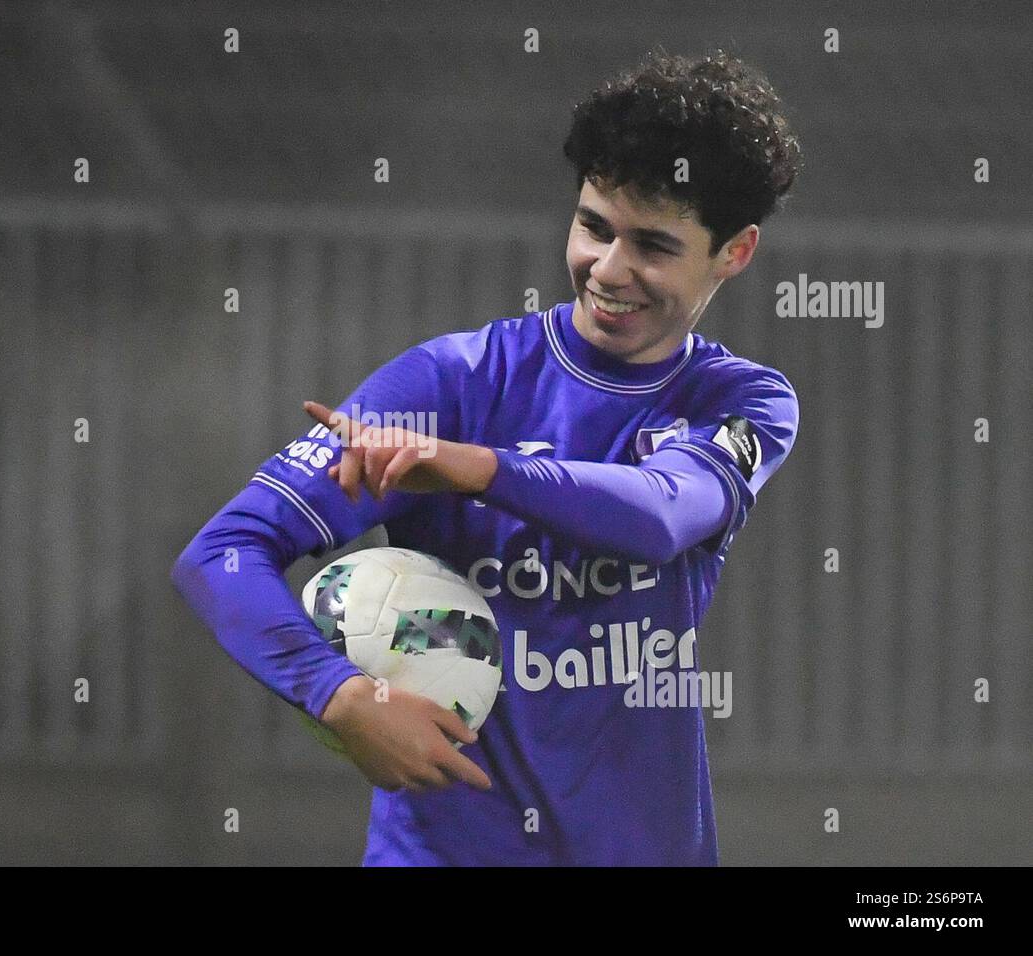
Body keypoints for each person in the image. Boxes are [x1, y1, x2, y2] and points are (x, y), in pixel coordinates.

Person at [172, 49, 803, 865]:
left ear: (735, 251)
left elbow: (658, 514)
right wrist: (340, 696)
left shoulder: (740, 402)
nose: (608, 269)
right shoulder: (452, 380)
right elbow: (220, 554)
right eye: (592, 227)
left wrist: (470, 468)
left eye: (652, 245)